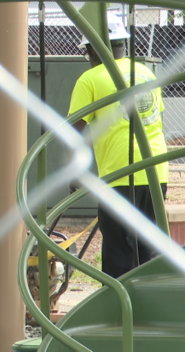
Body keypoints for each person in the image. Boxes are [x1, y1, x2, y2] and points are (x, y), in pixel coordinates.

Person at [68, 15, 168, 279]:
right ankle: (151, 306)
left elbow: (73, 130)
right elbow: (155, 119)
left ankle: (118, 310)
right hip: (157, 170)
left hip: (119, 173)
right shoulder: (145, 71)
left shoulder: (90, 78)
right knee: (148, 247)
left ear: (92, 48)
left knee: (119, 252)